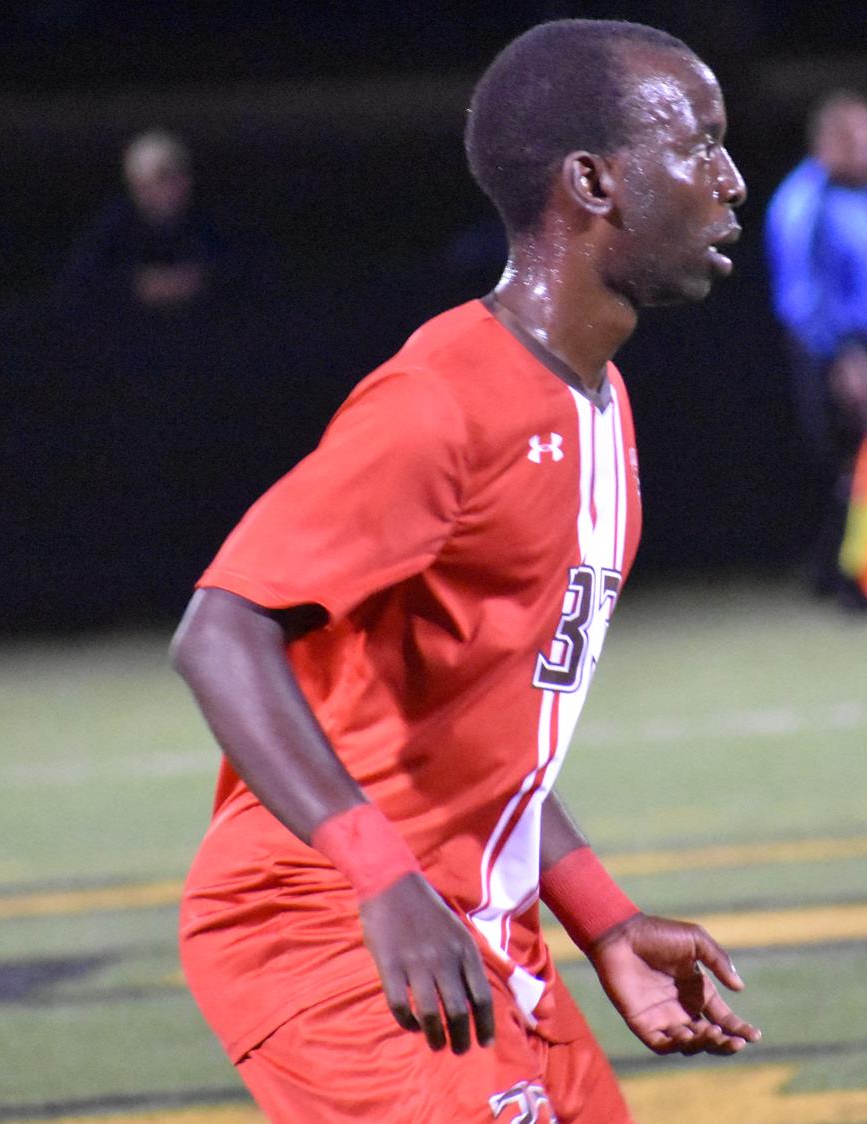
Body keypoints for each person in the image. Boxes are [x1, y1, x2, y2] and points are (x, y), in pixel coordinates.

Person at [170, 19, 756, 1123]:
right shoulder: (441, 398)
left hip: (476, 915)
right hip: (324, 916)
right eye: (700, 145)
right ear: (593, 181)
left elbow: (487, 731)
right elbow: (218, 628)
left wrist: (604, 918)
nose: (728, 182)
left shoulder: (599, 401)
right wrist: (379, 878)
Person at [764, 90, 867, 607]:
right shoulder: (805, 198)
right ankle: (852, 580)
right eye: (864, 139)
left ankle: (841, 574)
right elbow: (799, 292)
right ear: (831, 142)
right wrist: (839, 357)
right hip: (829, 349)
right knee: (854, 463)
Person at [58, 129, 228, 311]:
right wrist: (135, 285)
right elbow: (79, 280)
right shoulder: (114, 225)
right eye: (164, 177)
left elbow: (235, 270)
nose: (178, 184)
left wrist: (198, 280)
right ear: (139, 184)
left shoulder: (206, 220)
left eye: (181, 173)